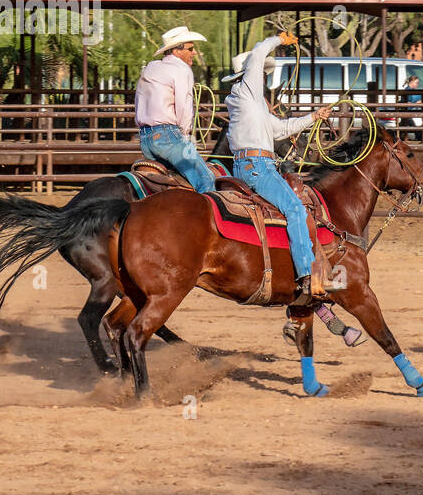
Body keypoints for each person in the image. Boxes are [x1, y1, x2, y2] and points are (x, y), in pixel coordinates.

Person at [225, 33, 339, 297]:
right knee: (296, 210)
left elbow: (281, 129)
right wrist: (278, 39)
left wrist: (314, 116)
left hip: (251, 164)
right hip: (259, 165)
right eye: (261, 72)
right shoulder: (249, 90)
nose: (263, 76)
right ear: (251, 74)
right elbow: (257, 55)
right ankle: (307, 273)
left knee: (292, 209)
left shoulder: (250, 103)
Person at [135, 26, 214, 194]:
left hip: (145, 139)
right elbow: (184, 107)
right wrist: (186, 137)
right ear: (177, 51)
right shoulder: (182, 69)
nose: (194, 52)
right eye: (190, 48)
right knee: (206, 180)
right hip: (168, 137)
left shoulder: (150, 67)